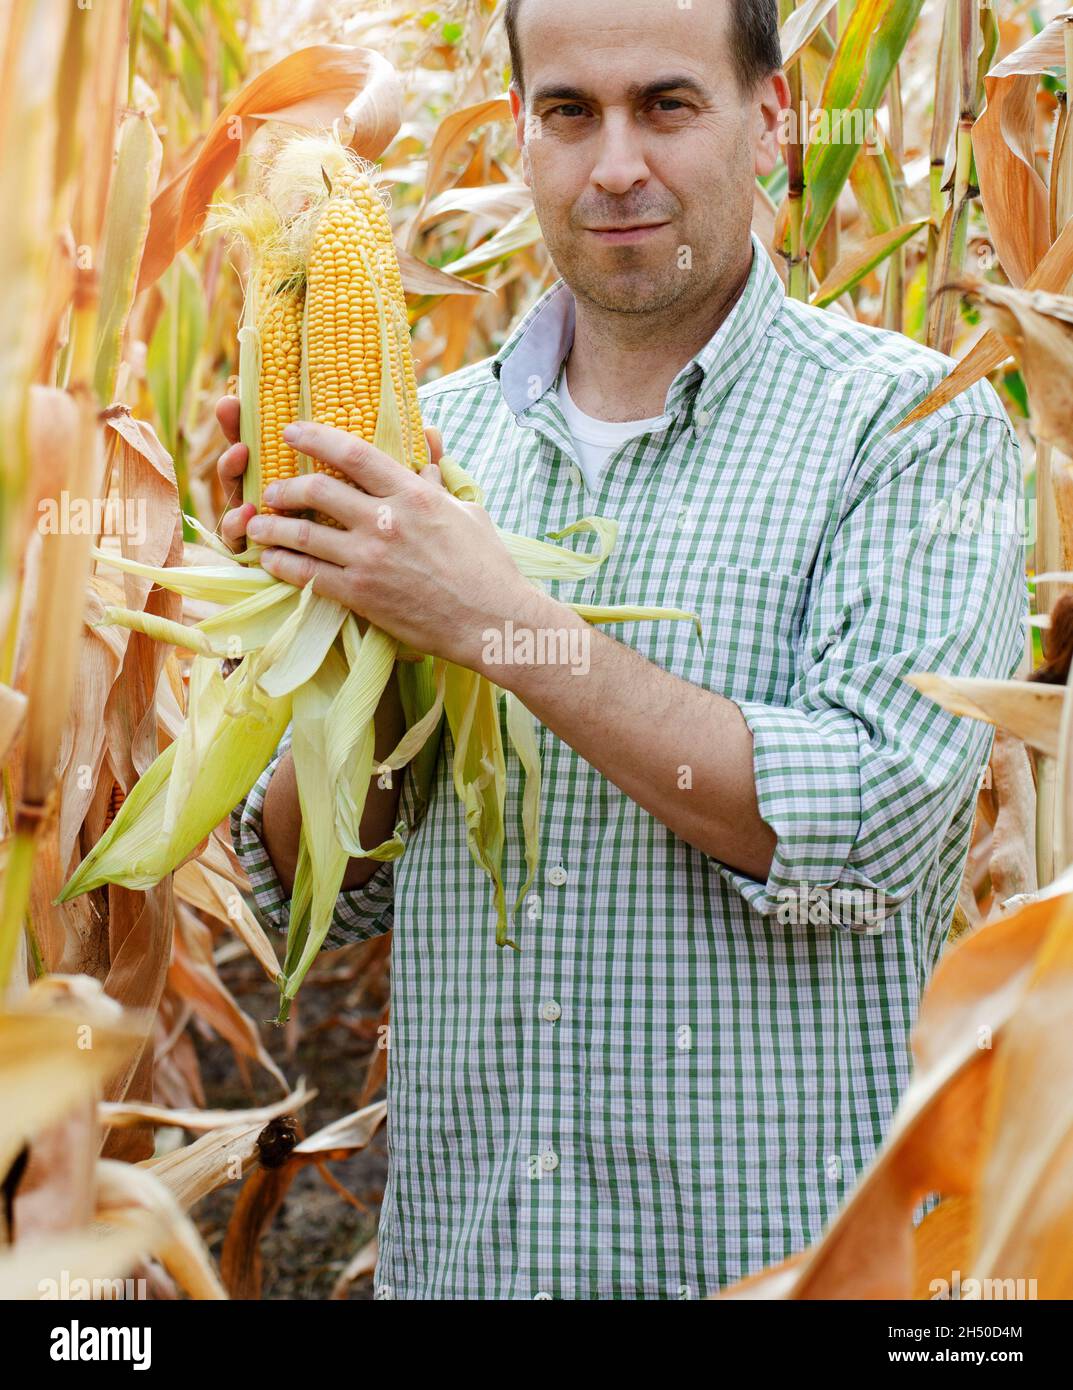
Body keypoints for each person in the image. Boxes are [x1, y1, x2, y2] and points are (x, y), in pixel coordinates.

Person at [218, 0, 1028, 1298]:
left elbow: (868, 818)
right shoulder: (430, 448)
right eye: (566, 113)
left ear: (767, 120)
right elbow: (327, 881)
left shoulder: (915, 428)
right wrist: (336, 630)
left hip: (773, 1266)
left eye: (665, 104)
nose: (613, 168)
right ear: (520, 138)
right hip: (467, 1259)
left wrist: (490, 615)